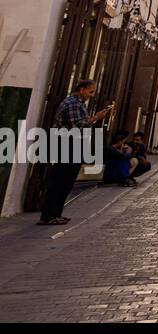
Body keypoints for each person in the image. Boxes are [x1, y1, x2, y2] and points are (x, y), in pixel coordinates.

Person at [39, 79, 113, 226]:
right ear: (82, 90)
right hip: (66, 144)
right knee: (60, 180)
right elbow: (76, 125)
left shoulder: (78, 103)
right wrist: (96, 118)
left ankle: (55, 214)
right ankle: (48, 215)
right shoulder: (72, 103)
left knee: (66, 181)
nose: (91, 95)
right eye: (90, 91)